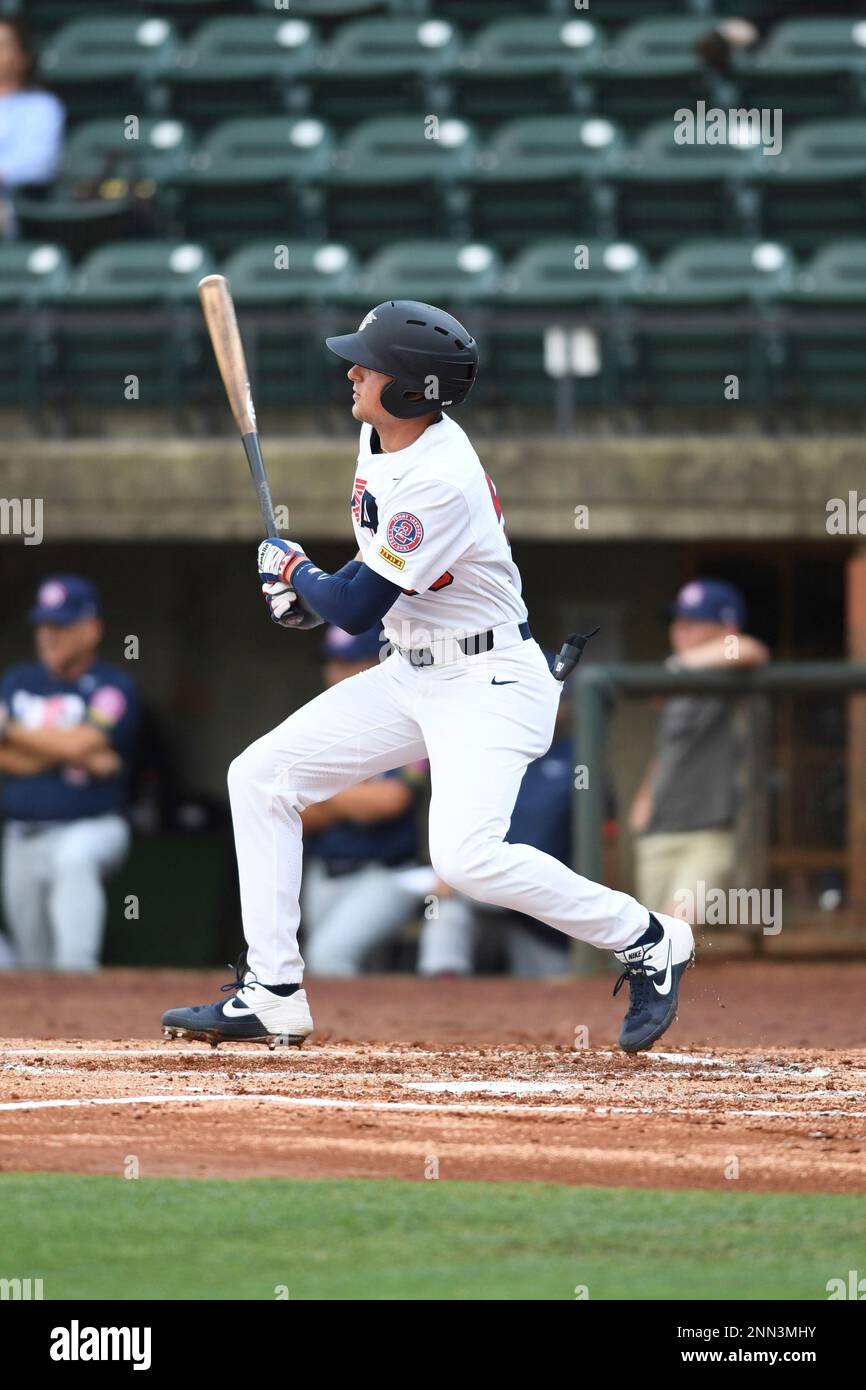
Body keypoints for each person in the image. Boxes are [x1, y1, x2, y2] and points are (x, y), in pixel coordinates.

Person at [162, 300, 695, 1052]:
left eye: (369, 366)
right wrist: (303, 599)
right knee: (260, 778)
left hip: (487, 683)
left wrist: (299, 574)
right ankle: (273, 989)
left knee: (466, 858)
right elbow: (365, 584)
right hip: (411, 673)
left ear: (414, 391)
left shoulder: (440, 479)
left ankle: (647, 936)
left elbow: (354, 606)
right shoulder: (380, 435)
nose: (351, 372)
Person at [301, 622, 473, 975]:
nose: (339, 672)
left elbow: (390, 801)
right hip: (325, 868)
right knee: (321, 966)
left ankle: (350, 1030)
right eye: (334, 662)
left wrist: (323, 792)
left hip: (387, 872)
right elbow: (296, 812)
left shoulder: (408, 721)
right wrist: (352, 799)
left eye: (353, 662)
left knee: (329, 957)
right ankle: (360, 1030)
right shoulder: (314, 724)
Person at [0, 576, 139, 969]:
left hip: (91, 826)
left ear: (91, 629)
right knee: (32, 963)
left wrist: (11, 731)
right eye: (43, 626)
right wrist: (70, 751)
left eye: (60, 626)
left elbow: (81, 743)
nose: (48, 636)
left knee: (74, 862)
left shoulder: (112, 686)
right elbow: (78, 749)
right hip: (20, 834)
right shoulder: (17, 681)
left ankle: (82, 981)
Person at [629, 578, 769, 922]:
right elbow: (669, 748)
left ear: (726, 627)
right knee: (648, 940)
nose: (680, 631)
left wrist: (680, 665)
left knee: (676, 927)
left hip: (711, 829)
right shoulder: (682, 680)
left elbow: (752, 650)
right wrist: (646, 796)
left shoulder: (732, 669)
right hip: (660, 828)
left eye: (693, 623)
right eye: (678, 622)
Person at [0, 19, 64, 238]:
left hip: (12, 204)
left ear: (22, 57)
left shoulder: (41, 106)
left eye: (3, 46)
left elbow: (38, 165)